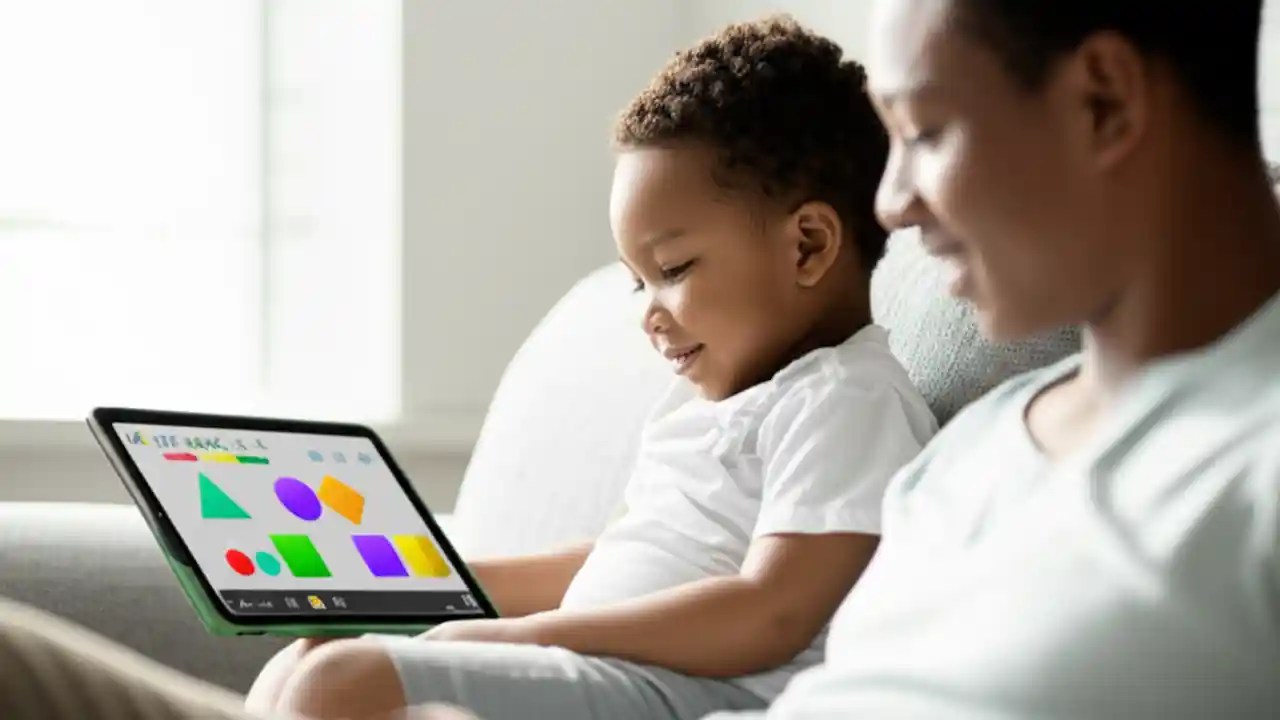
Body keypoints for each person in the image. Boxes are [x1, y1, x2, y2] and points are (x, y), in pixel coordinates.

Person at [241, 16, 936, 720]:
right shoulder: (701, 407)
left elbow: (770, 612)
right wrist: (413, 591)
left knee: (342, 684)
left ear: (808, 247)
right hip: (608, 673)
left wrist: (526, 638)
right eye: (638, 282)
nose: (648, 312)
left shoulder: (848, 398)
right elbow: (615, 560)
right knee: (301, 666)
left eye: (672, 269)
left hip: (688, 696)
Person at [720, 1, 1280, 717]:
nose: (891, 203)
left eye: (923, 131)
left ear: (1103, 102)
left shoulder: (1251, 472)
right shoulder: (960, 456)